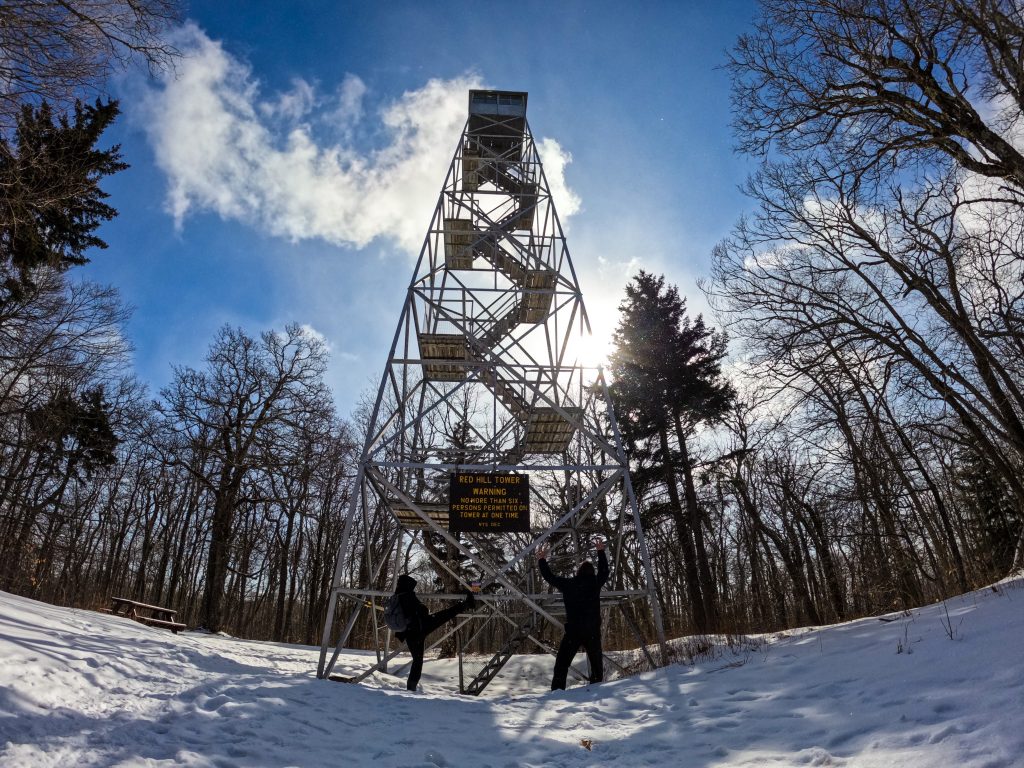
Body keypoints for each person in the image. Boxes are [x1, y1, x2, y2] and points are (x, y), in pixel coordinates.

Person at [536, 539, 609, 690]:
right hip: (592, 631)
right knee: (596, 665)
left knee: (562, 664)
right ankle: (596, 689)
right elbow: (604, 572)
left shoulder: (569, 584)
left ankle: (557, 691)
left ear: (578, 572)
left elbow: (550, 577)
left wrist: (542, 560)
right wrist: (601, 552)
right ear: (591, 572)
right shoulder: (594, 583)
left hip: (574, 631)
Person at [392, 574, 476, 691]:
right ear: (408, 585)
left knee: (417, 660)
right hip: (420, 628)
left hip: (408, 632)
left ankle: (411, 687)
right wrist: (422, 608)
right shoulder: (407, 596)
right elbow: (423, 610)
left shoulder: (397, 596)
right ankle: (466, 604)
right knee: (444, 615)